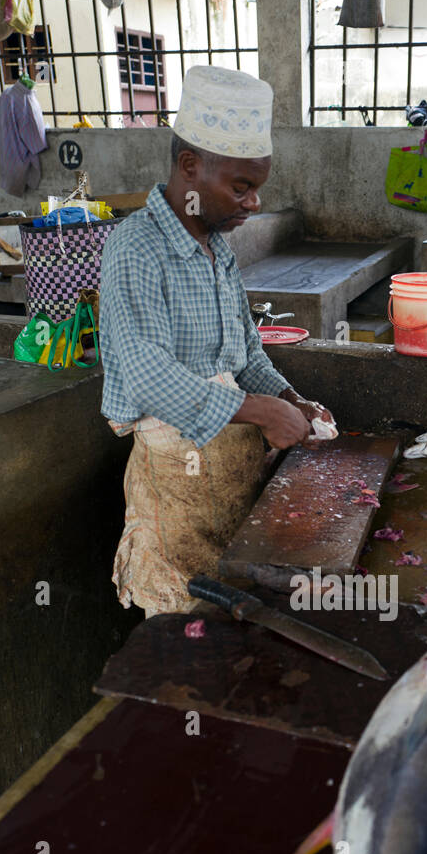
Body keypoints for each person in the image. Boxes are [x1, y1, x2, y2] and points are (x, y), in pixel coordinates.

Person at [99, 65, 333, 616]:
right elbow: (147, 373)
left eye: (257, 189)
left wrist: (291, 400)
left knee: (235, 614)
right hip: (176, 485)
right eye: (242, 187)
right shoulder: (137, 247)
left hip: (231, 476)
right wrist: (262, 412)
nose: (253, 203)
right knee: (184, 622)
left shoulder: (215, 246)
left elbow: (246, 354)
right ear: (189, 166)